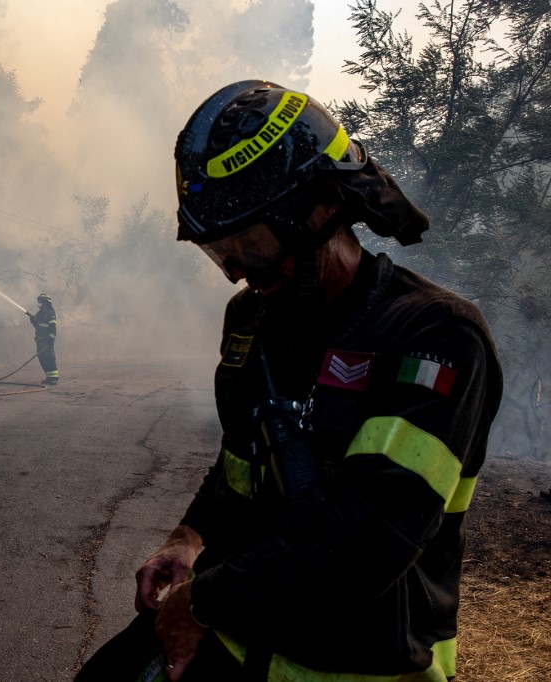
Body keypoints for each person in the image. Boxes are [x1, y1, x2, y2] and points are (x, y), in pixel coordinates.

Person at [75, 81, 502, 681]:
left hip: (354, 661)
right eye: (221, 251)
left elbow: (367, 538)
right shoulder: (254, 318)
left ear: (323, 206)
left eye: (252, 241)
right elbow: (243, 455)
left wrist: (202, 603)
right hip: (238, 632)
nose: (240, 271)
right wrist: (190, 535)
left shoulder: (435, 337)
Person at [27, 293, 59, 385]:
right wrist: (32, 318)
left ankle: (54, 378)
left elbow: (53, 327)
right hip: (40, 340)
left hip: (47, 341)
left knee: (50, 358)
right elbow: (37, 325)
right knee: (42, 358)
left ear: (45, 302)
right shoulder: (40, 313)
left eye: (40, 301)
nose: (39, 303)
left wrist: (51, 339)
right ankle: (49, 377)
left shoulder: (50, 313)